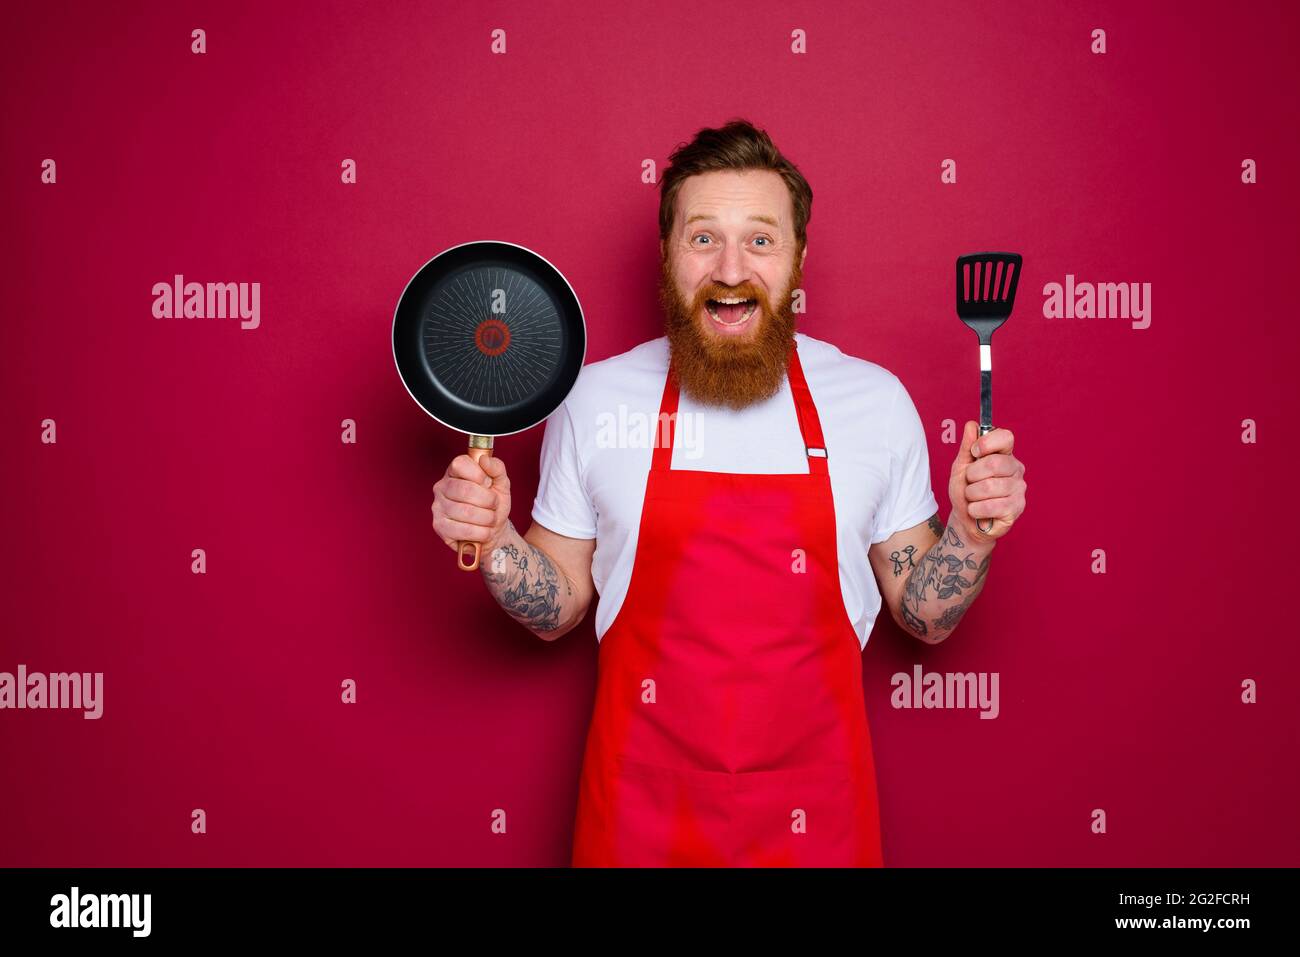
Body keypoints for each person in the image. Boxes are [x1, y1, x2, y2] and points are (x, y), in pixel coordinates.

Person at [430, 119, 1028, 867]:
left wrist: (970, 535)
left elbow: (925, 617)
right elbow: (559, 607)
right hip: (637, 820)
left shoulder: (872, 403)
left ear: (798, 257)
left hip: (821, 824)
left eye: (762, 239)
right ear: (668, 254)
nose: (733, 267)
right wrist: (493, 541)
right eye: (704, 237)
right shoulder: (595, 400)